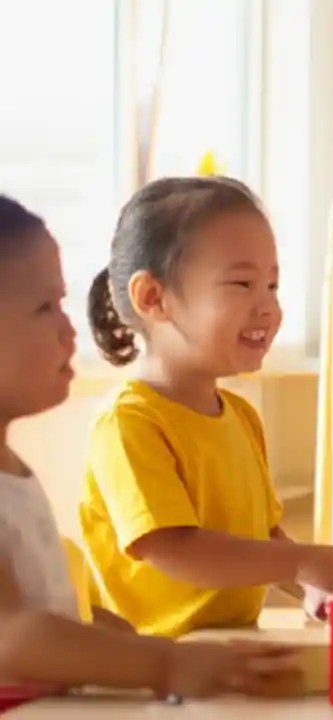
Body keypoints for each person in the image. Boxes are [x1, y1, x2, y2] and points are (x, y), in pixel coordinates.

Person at [0, 195, 296, 697]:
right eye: (44, 308)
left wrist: (121, 640)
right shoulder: (128, 420)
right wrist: (165, 662)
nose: (69, 330)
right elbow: (12, 638)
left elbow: (51, 613)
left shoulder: (12, 470)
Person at [79, 177, 333, 637]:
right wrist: (303, 561)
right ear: (153, 298)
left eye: (272, 284)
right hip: (158, 665)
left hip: (227, 649)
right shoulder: (128, 423)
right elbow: (176, 549)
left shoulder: (240, 416)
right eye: (242, 283)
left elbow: (259, 543)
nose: (269, 307)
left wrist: (310, 585)